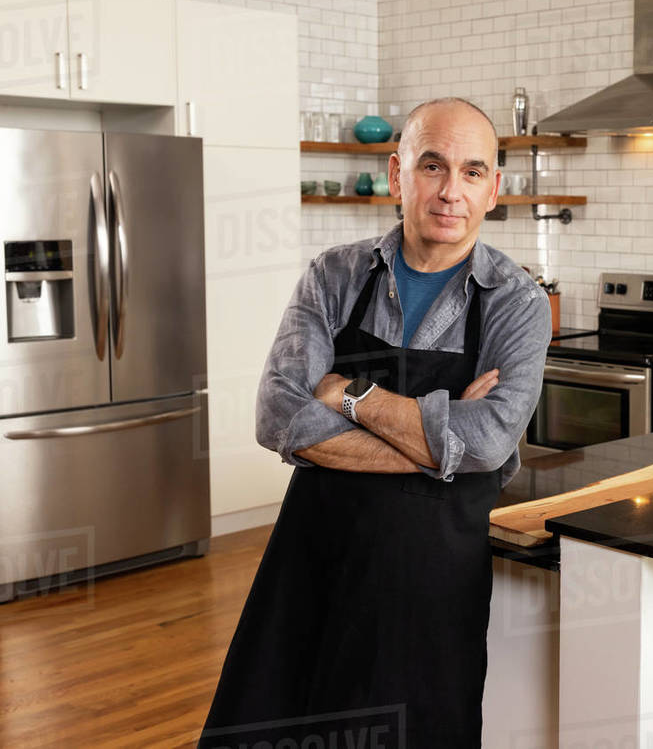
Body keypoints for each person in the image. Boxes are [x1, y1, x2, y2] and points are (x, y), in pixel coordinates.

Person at [199, 98, 551, 749]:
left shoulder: (518, 304)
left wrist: (349, 393)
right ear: (396, 175)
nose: (451, 191)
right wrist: (437, 445)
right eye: (432, 166)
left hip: (427, 590)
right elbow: (279, 414)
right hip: (312, 567)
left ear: (495, 189)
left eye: (473, 172)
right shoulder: (333, 276)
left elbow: (491, 438)